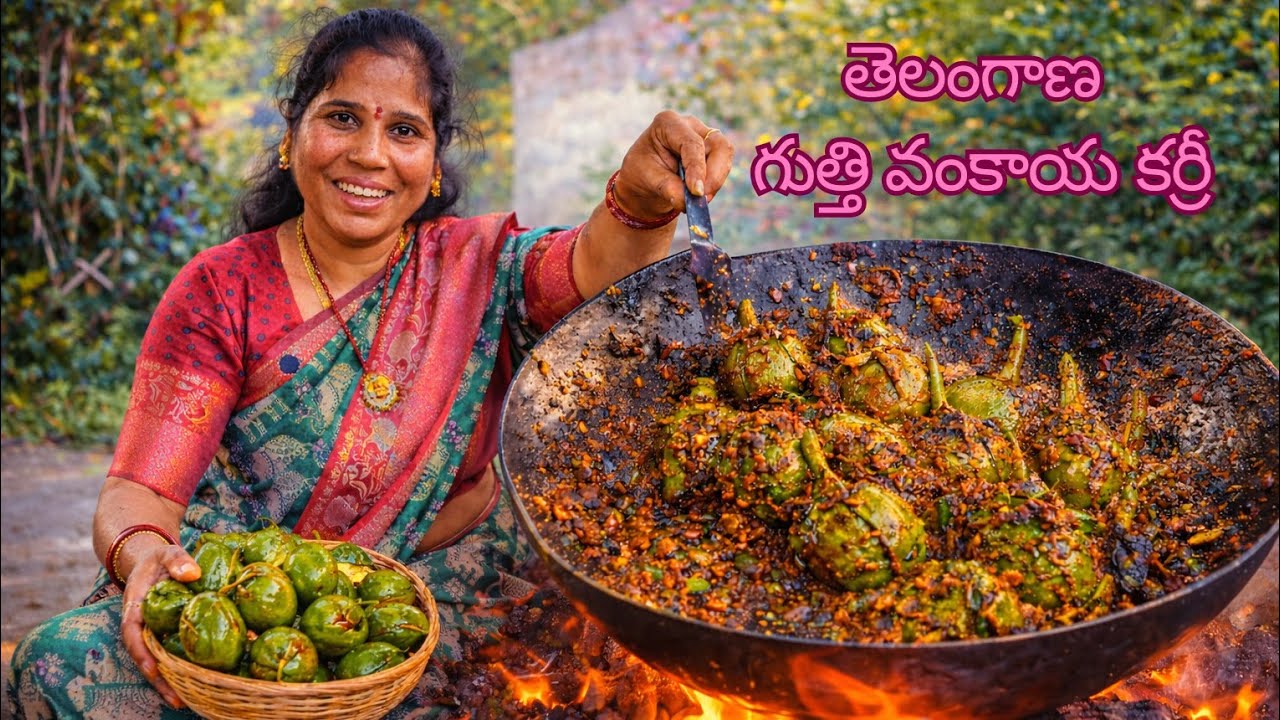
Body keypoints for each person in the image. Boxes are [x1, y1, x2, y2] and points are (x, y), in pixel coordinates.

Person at [5, 7, 732, 718]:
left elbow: (589, 273)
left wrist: (640, 198)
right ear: (294, 136)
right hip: (256, 628)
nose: (371, 155)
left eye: (405, 130)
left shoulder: (477, 269)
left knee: (631, 636)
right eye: (343, 117)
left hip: (448, 599)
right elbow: (140, 494)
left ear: (435, 167)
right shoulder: (221, 289)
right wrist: (143, 559)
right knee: (56, 669)